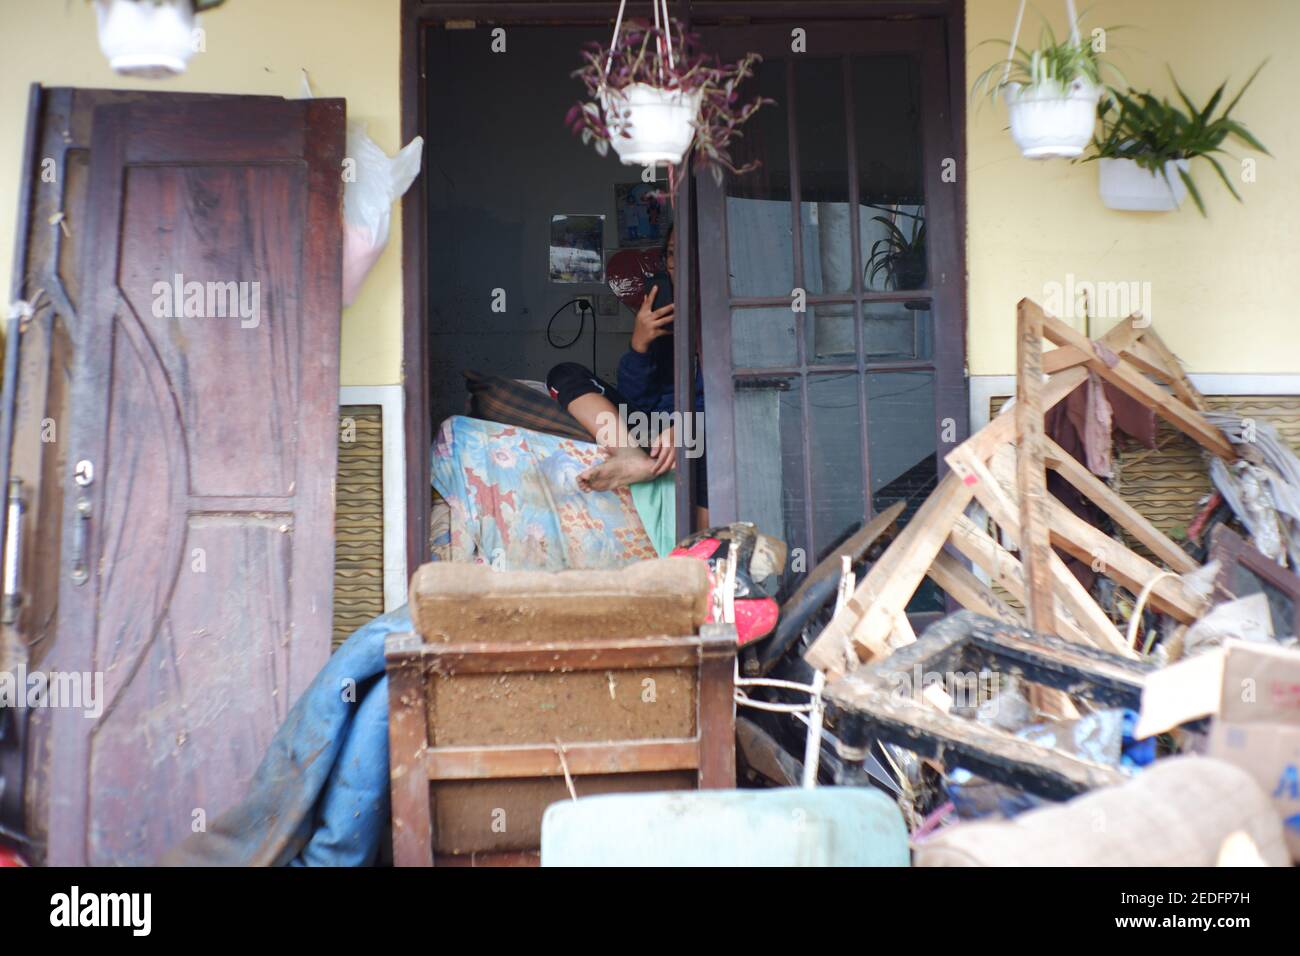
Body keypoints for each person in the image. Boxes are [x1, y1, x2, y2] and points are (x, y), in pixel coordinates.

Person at [546, 224, 707, 516]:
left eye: (688, 255)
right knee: (563, 372)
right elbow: (638, 400)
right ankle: (628, 455)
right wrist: (639, 346)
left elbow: (736, 398)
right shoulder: (664, 316)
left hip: (698, 430)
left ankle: (698, 547)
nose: (677, 265)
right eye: (672, 254)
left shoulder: (729, 317)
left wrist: (685, 423)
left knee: (705, 446)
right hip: (650, 430)